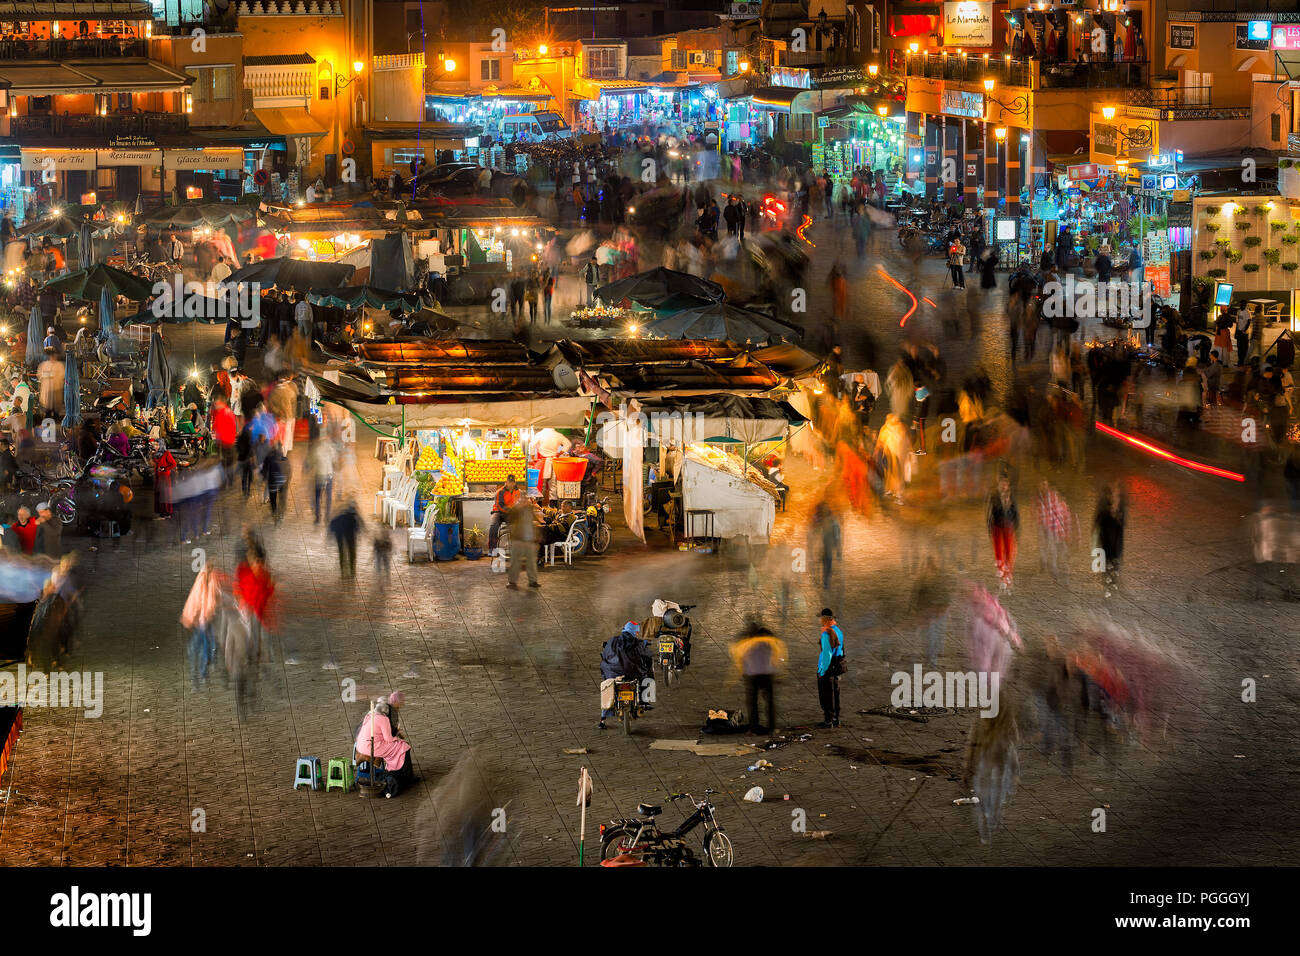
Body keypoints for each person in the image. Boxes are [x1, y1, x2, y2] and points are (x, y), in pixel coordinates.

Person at [729, 617, 786, 734]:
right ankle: (772, 727)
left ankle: (754, 728)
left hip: (753, 675)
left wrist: (742, 672)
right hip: (767, 674)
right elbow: (776, 656)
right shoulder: (768, 642)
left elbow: (741, 658)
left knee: (753, 703)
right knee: (770, 702)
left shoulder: (747, 644)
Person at [598, 620, 653, 729]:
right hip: (633, 673)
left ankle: (603, 719)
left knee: (608, 687)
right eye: (637, 632)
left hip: (614, 673)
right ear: (634, 632)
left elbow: (605, 654)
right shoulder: (639, 643)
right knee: (647, 678)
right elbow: (647, 656)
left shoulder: (613, 641)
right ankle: (645, 702)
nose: (637, 634)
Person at [355, 694, 414, 794]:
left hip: (361, 744)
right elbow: (388, 739)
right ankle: (400, 772)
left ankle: (402, 773)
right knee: (403, 746)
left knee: (400, 745)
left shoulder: (370, 714)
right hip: (371, 746)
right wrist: (397, 737)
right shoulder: (384, 718)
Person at [1093, 481, 1126, 598]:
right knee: (1106, 565)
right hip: (1106, 541)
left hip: (1116, 542)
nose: (1114, 497)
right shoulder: (1104, 508)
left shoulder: (1120, 507)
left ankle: (1113, 582)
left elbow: (1122, 525)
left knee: (1115, 564)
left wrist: (1118, 517)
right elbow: (1098, 522)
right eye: (1113, 494)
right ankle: (1107, 587)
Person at [987, 475, 1020, 592]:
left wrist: (1016, 527)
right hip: (997, 527)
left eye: (1005, 483)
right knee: (999, 555)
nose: (1003, 485)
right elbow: (991, 513)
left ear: (1008, 484)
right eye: (1001, 483)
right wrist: (989, 527)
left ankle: (1008, 576)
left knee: (1009, 553)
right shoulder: (994, 496)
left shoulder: (1011, 496)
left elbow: (1015, 512)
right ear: (998, 484)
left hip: (1008, 527)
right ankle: (1002, 577)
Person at [816, 608, 845, 728]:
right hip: (837, 666)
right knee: (835, 694)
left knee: (826, 695)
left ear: (826, 619)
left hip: (828, 668)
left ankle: (828, 721)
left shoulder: (826, 634)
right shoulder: (838, 630)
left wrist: (822, 671)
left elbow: (827, 654)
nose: (819, 620)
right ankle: (836, 719)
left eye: (821, 617)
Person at [505, 497, 540, 590]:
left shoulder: (530, 510)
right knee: (515, 562)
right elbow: (510, 523)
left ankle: (533, 581)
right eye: (522, 501)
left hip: (530, 540)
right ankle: (512, 581)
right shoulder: (515, 511)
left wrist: (536, 535)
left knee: (531, 562)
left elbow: (536, 522)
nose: (525, 502)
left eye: (526, 500)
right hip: (518, 540)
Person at [328, 498, 362, 579]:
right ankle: (351, 570)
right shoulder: (353, 517)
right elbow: (358, 527)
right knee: (350, 553)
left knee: (343, 553)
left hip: (341, 535)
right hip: (346, 536)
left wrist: (331, 534)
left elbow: (333, 523)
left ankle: (345, 571)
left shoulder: (343, 515)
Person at [488, 474, 521, 551]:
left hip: (510, 513)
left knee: (516, 525)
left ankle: (516, 549)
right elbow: (500, 506)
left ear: (515, 483)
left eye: (512, 482)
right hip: (498, 512)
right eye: (509, 482)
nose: (511, 484)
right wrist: (511, 511)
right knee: (493, 526)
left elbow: (518, 503)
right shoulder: (500, 492)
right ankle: (492, 550)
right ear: (506, 482)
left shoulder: (518, 492)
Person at [309, 433, 336, 523]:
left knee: (317, 497)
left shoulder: (317, 450)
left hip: (320, 476)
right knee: (328, 497)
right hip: (329, 475)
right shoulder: (331, 448)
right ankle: (327, 517)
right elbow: (334, 459)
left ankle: (317, 517)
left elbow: (312, 461)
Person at [1234, 301, 1252, 367]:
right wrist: (1236, 332)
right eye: (1241, 304)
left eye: (1243, 305)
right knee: (1239, 347)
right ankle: (1240, 361)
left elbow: (1249, 321)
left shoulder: (1247, 312)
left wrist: (1244, 329)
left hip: (1244, 333)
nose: (1241, 306)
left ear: (1245, 305)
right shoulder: (1238, 311)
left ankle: (1245, 361)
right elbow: (1237, 322)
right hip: (1239, 331)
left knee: (1244, 347)